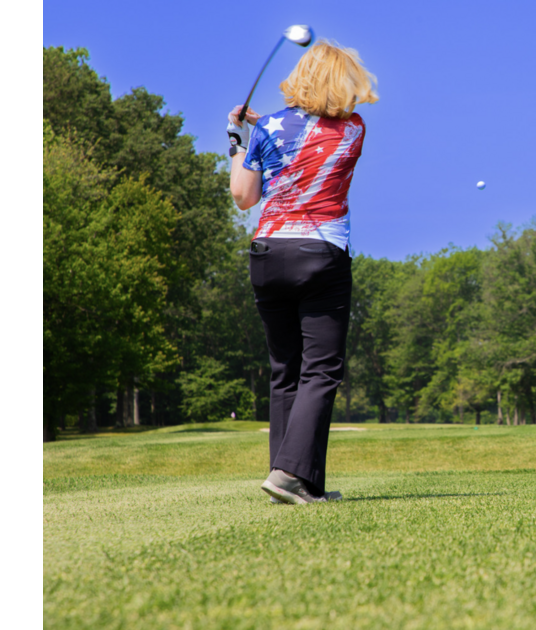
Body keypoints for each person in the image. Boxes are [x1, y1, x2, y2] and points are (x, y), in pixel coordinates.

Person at [226, 40, 379, 504]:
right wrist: (259, 131)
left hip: (269, 252)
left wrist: (238, 139)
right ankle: (289, 475)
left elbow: (243, 196)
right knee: (321, 371)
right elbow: (315, 135)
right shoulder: (354, 129)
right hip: (320, 253)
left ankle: (297, 481)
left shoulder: (269, 126)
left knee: (285, 370)